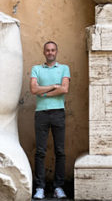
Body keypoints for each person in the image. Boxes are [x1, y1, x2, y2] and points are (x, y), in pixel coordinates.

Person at [30, 41, 71, 199]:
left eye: (53, 50)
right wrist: (53, 86)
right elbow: (33, 89)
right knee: (40, 152)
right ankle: (40, 187)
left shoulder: (64, 68)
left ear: (56, 51)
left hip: (58, 113)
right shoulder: (36, 69)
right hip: (41, 113)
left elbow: (65, 89)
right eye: (47, 50)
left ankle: (58, 187)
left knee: (60, 151)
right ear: (44, 52)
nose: (50, 52)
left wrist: (43, 92)